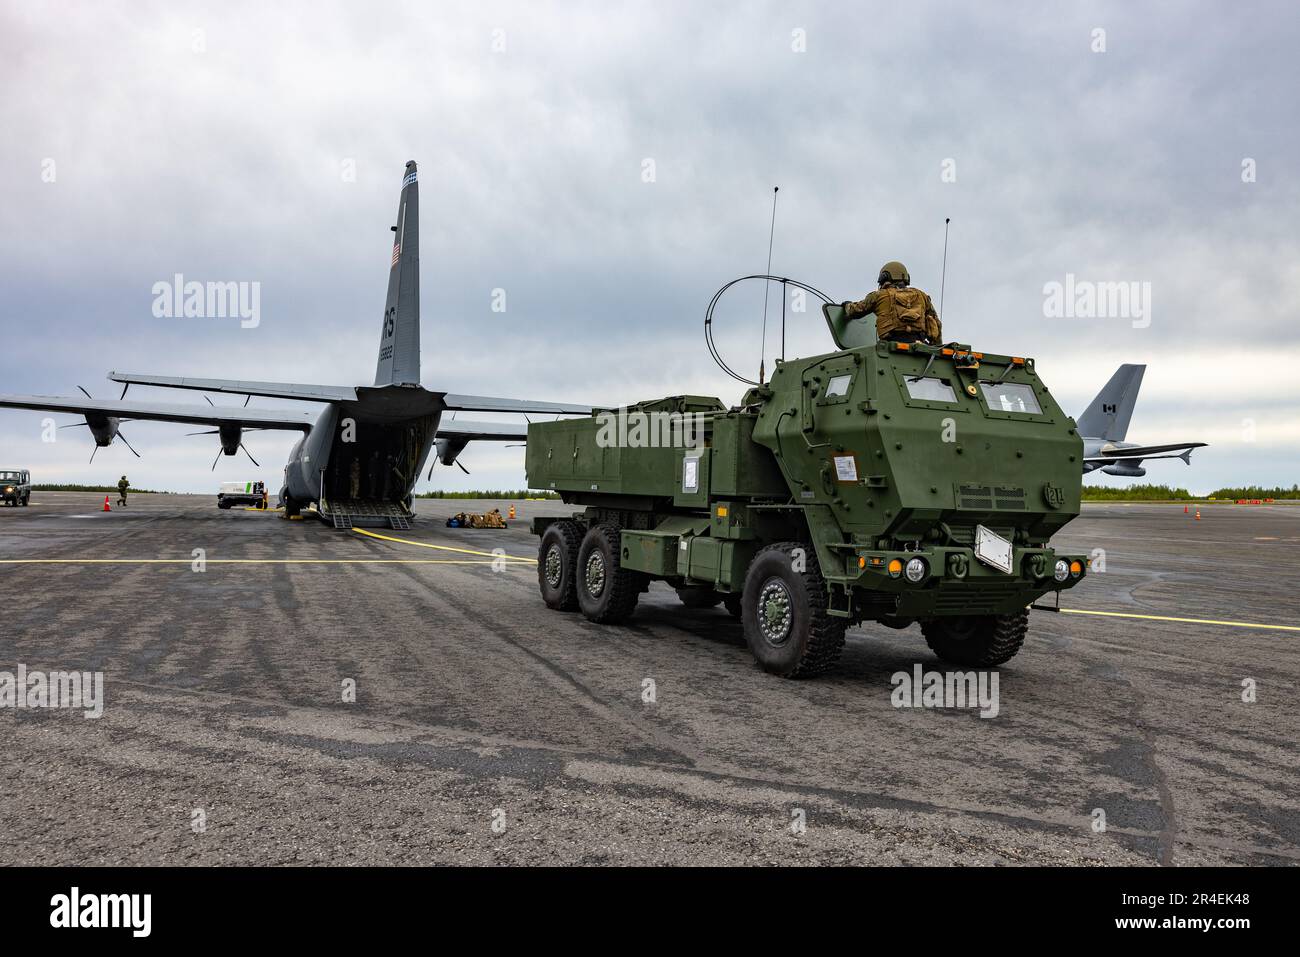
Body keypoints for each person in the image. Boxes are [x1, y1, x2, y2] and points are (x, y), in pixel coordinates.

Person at [843, 261, 942, 344]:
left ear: (884, 277)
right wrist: (936, 348)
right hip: (919, 346)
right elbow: (936, 323)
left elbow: (856, 311)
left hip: (891, 347)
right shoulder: (922, 296)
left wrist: (847, 305)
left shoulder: (879, 296)